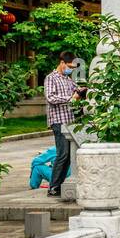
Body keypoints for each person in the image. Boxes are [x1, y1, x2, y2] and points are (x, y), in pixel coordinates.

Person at [43, 52, 81, 197]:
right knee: (62, 154)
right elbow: (51, 97)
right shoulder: (51, 78)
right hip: (58, 121)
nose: (70, 69)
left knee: (69, 155)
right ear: (62, 63)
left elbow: (76, 92)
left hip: (70, 121)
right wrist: (71, 98)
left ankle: (59, 185)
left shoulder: (68, 79)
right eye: (70, 66)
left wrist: (81, 92)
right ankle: (53, 187)